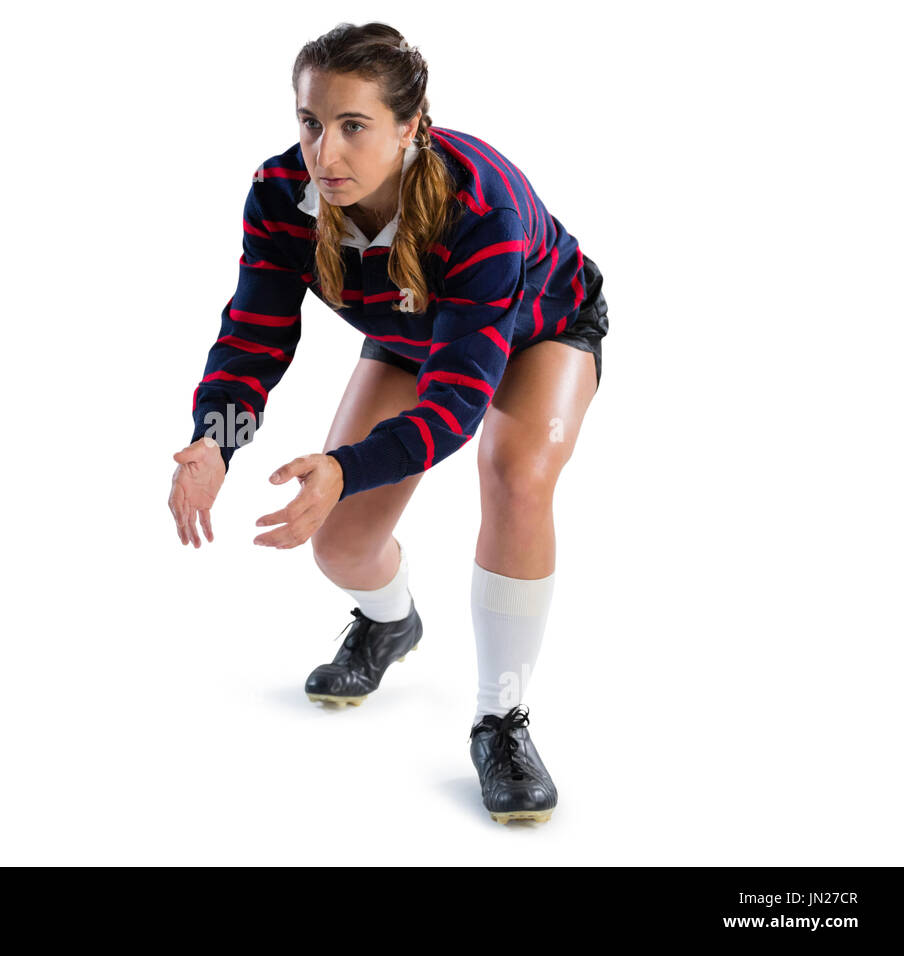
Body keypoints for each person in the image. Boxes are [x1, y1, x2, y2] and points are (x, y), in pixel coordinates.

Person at [167, 22, 609, 825]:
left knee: (516, 473)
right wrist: (215, 438)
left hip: (540, 327)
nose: (324, 152)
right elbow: (255, 332)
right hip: (414, 334)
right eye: (310, 122)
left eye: (353, 126)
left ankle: (500, 720)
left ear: (410, 127)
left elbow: (457, 404)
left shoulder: (482, 203)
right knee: (340, 545)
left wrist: (343, 466)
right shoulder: (280, 196)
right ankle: (389, 622)